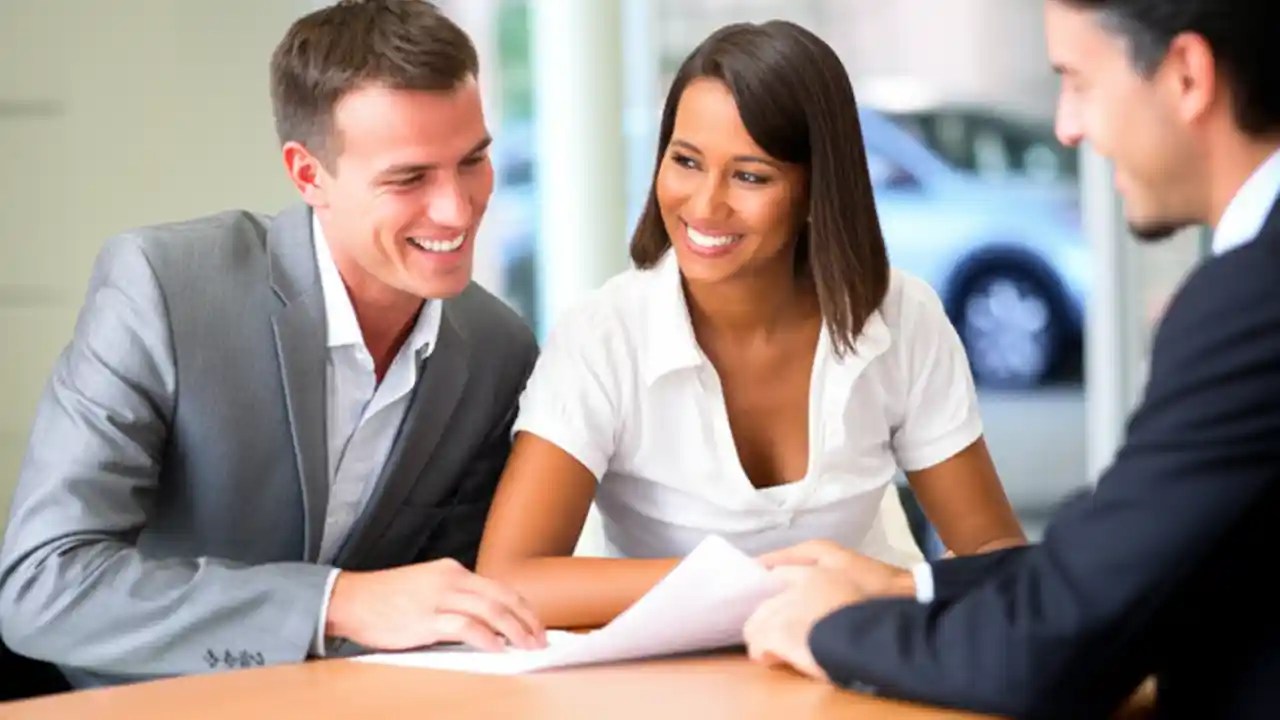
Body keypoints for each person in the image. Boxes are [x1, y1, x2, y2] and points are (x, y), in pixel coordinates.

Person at [743, 1, 1280, 717]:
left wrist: (831, 628)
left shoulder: (1253, 296)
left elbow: (1049, 648)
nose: (1066, 125)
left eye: (1079, 80)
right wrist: (911, 587)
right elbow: (1130, 555)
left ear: (1186, 75)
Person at [0, 0, 546, 690]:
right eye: (410, 178)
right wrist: (337, 601)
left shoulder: (498, 351)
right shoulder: (165, 291)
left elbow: (447, 617)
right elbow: (43, 583)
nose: (458, 209)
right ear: (308, 174)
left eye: (473, 161)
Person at [475, 20, 1027, 630]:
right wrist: (759, 585)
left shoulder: (902, 316)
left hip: (852, 664)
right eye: (686, 161)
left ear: (818, 191)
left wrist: (891, 587)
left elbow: (994, 558)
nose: (706, 204)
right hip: (670, 682)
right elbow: (510, 578)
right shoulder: (603, 334)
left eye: (750, 176)